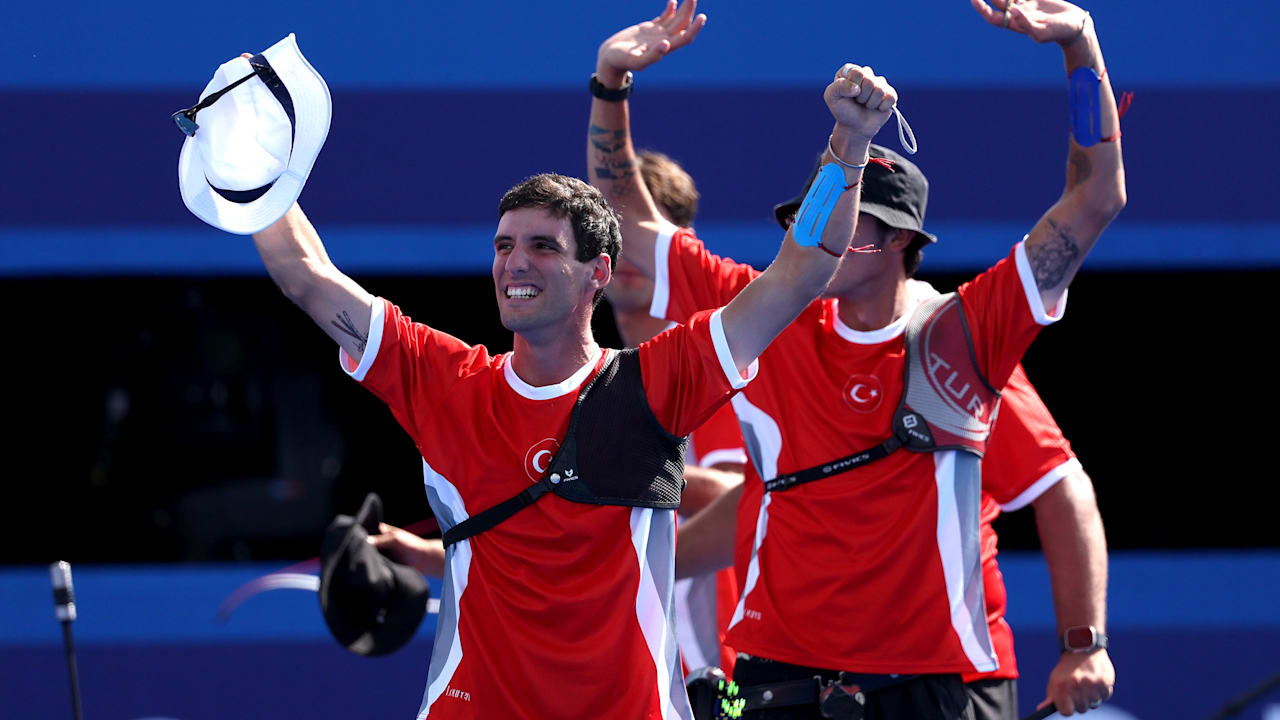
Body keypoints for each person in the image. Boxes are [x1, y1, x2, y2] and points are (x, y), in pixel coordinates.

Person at [249, 6, 904, 718]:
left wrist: (850, 141)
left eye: (543, 247)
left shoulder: (660, 382)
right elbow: (305, 276)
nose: (514, 264)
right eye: (503, 246)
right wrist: (248, 165)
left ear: (599, 273)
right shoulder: (444, 380)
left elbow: (802, 270)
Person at [587, 0, 1124, 717]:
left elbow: (1097, 196)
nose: (832, 226)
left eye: (853, 214)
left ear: (902, 239)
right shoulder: (764, 315)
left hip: (936, 686)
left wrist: (1080, 48)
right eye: (821, 206)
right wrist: (611, 80)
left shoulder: (965, 333)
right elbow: (623, 215)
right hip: (779, 681)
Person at [606, 149, 748, 677]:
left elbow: (763, 505)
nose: (630, 254)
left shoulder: (726, 364)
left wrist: (638, 474)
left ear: (682, 247)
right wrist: (423, 555)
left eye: (646, 236)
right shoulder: (600, 386)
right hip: (662, 690)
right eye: (615, 235)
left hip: (751, 686)